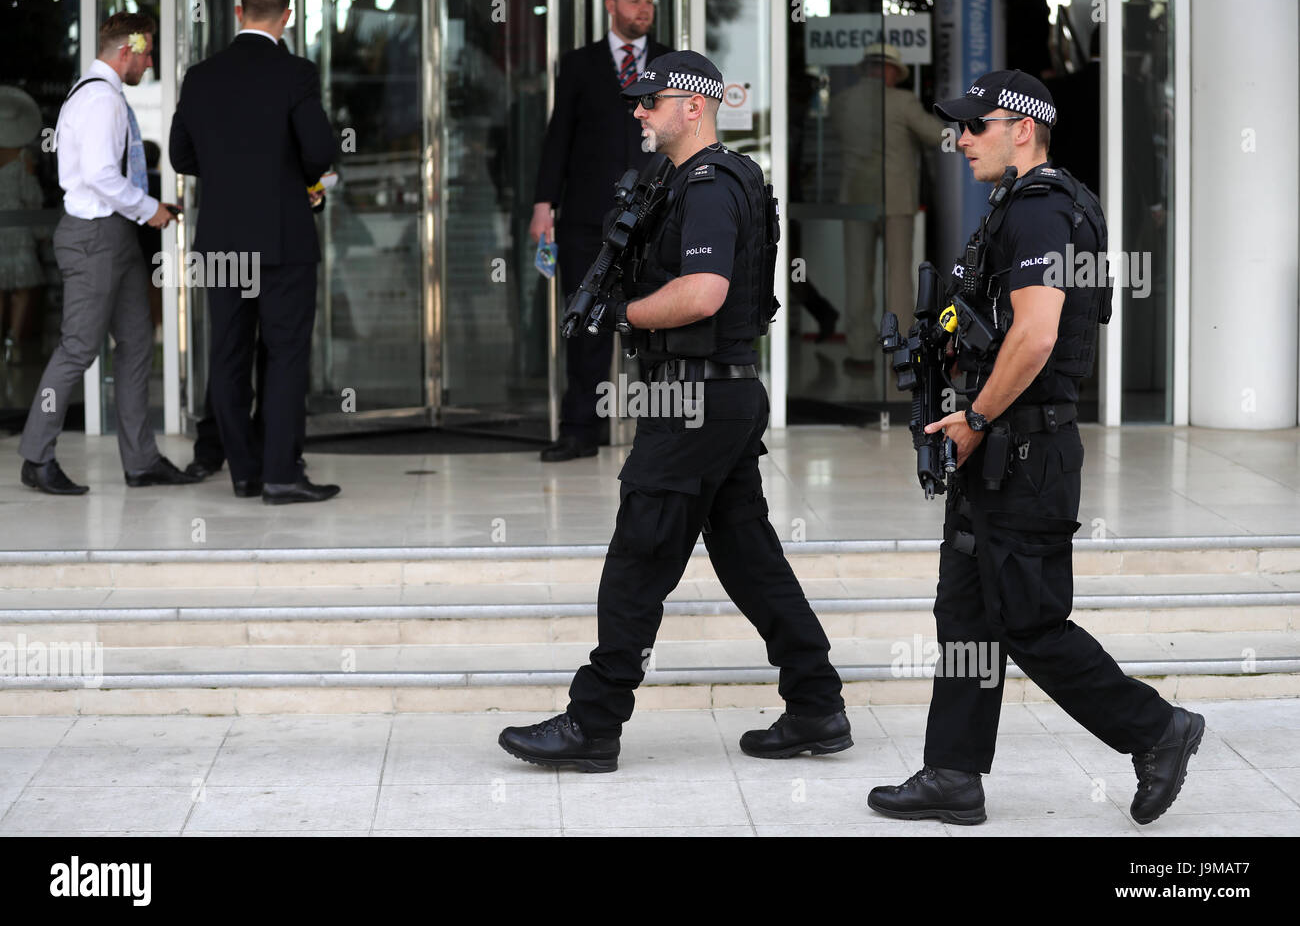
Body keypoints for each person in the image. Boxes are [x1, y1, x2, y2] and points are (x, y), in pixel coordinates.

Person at [500, 51, 851, 772]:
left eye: (649, 101)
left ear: (693, 105)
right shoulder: (691, 179)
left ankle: (593, 723)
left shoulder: (710, 185)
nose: (638, 111)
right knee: (748, 556)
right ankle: (816, 703)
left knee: (638, 555)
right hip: (709, 394)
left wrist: (621, 314)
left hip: (698, 397)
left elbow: (703, 293)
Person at [867, 70, 1202, 826]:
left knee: (1030, 622)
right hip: (999, 451)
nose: (960, 140)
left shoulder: (1044, 209)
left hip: (1023, 451)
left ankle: (1158, 730)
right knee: (964, 615)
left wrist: (976, 419)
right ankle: (952, 773)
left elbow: (1038, 333)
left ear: (1022, 126)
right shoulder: (1021, 205)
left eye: (975, 126)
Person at [169, 0, 338, 504]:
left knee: (228, 353)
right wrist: (296, 180)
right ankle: (281, 474)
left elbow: (180, 155)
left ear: (240, 13)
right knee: (284, 355)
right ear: (286, 17)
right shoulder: (295, 72)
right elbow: (318, 152)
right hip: (283, 238)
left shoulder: (199, 76)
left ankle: (243, 472)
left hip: (221, 241)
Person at [17, 13, 196, 495]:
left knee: (137, 343)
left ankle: (140, 461)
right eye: (148, 52)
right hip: (94, 237)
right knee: (77, 349)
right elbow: (99, 174)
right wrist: (149, 208)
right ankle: (36, 456)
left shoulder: (106, 94)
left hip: (114, 235)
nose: (150, 61)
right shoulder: (100, 98)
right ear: (128, 51)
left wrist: (144, 211)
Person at [531, 0, 672, 461]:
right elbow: (559, 138)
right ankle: (579, 432)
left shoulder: (670, 62)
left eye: (649, 2)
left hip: (657, 215)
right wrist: (544, 204)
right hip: (588, 217)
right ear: (611, 6)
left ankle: (662, 433)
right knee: (585, 321)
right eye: (634, 1)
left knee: (657, 325)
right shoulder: (579, 64)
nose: (644, 10)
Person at [830, 43, 944, 378]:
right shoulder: (902, 101)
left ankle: (858, 352)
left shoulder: (842, 103)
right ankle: (900, 352)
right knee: (898, 277)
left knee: (856, 276)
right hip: (896, 200)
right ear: (890, 70)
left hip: (854, 197)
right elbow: (935, 135)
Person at [0, 86, 45, 367]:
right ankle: (13, 341)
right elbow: (33, 198)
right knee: (21, 290)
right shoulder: (23, 158)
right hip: (17, 229)